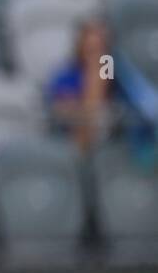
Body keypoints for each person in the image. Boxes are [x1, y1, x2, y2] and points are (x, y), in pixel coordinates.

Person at [47, 18, 158, 166]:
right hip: (75, 147)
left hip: (113, 151)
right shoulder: (66, 77)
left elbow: (143, 106)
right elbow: (68, 114)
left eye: (101, 49)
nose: (96, 57)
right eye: (91, 50)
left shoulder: (118, 79)